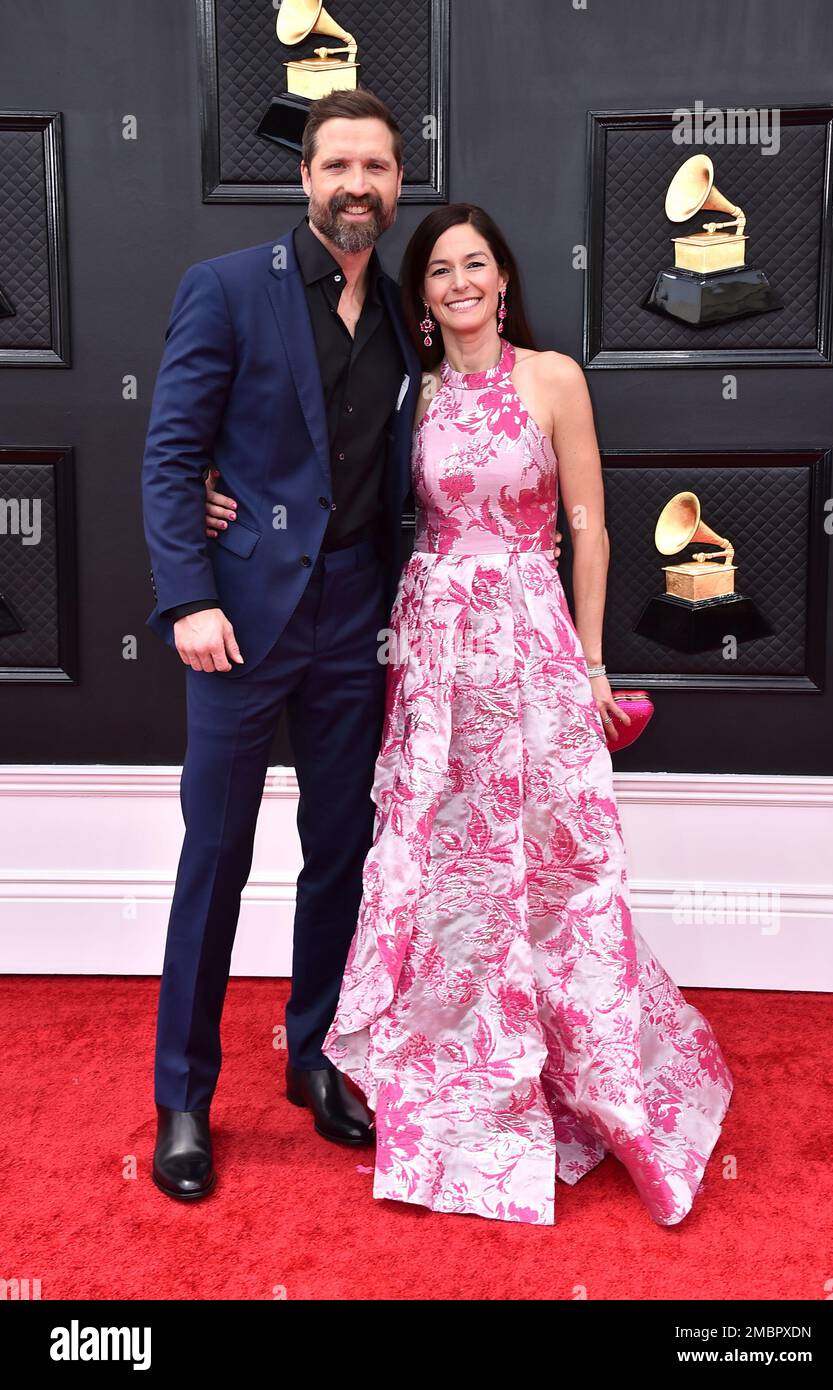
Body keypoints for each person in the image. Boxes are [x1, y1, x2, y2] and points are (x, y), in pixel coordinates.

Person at [309, 203, 732, 1226]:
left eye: (475, 263)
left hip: (530, 641)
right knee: (446, 853)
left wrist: (590, 662)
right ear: (422, 298)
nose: (458, 280)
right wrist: (215, 489)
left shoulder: (551, 378)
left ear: (502, 279)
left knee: (548, 858)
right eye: (439, 269)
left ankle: (576, 1068)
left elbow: (588, 530)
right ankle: (461, 1069)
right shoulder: (410, 391)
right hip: (434, 650)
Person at [141, 90, 428, 1199]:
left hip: (360, 621)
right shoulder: (223, 290)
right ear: (305, 179)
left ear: (397, 184)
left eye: (378, 167)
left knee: (341, 857)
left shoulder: (405, 311)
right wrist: (189, 599)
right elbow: (172, 456)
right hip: (240, 626)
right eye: (339, 165)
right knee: (214, 859)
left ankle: (315, 1058)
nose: (359, 185)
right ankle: (182, 1095)